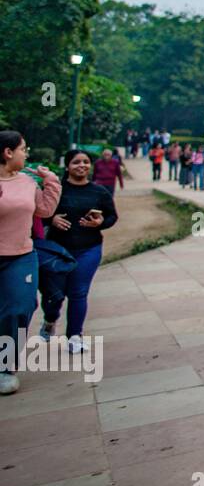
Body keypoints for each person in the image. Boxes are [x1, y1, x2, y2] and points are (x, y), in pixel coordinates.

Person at [0, 131, 62, 395]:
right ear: (8, 152)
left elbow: (45, 211)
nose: (27, 153)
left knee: (21, 307)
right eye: (23, 149)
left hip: (22, 255)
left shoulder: (27, 181)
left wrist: (51, 181)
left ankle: (5, 366)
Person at [38, 150, 117, 355]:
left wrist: (100, 222)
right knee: (54, 295)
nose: (81, 165)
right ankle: (50, 319)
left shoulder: (99, 192)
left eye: (85, 162)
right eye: (76, 162)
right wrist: (51, 220)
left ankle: (74, 336)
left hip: (88, 248)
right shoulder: (56, 190)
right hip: (56, 250)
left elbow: (111, 217)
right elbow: (38, 213)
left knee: (78, 292)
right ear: (67, 166)